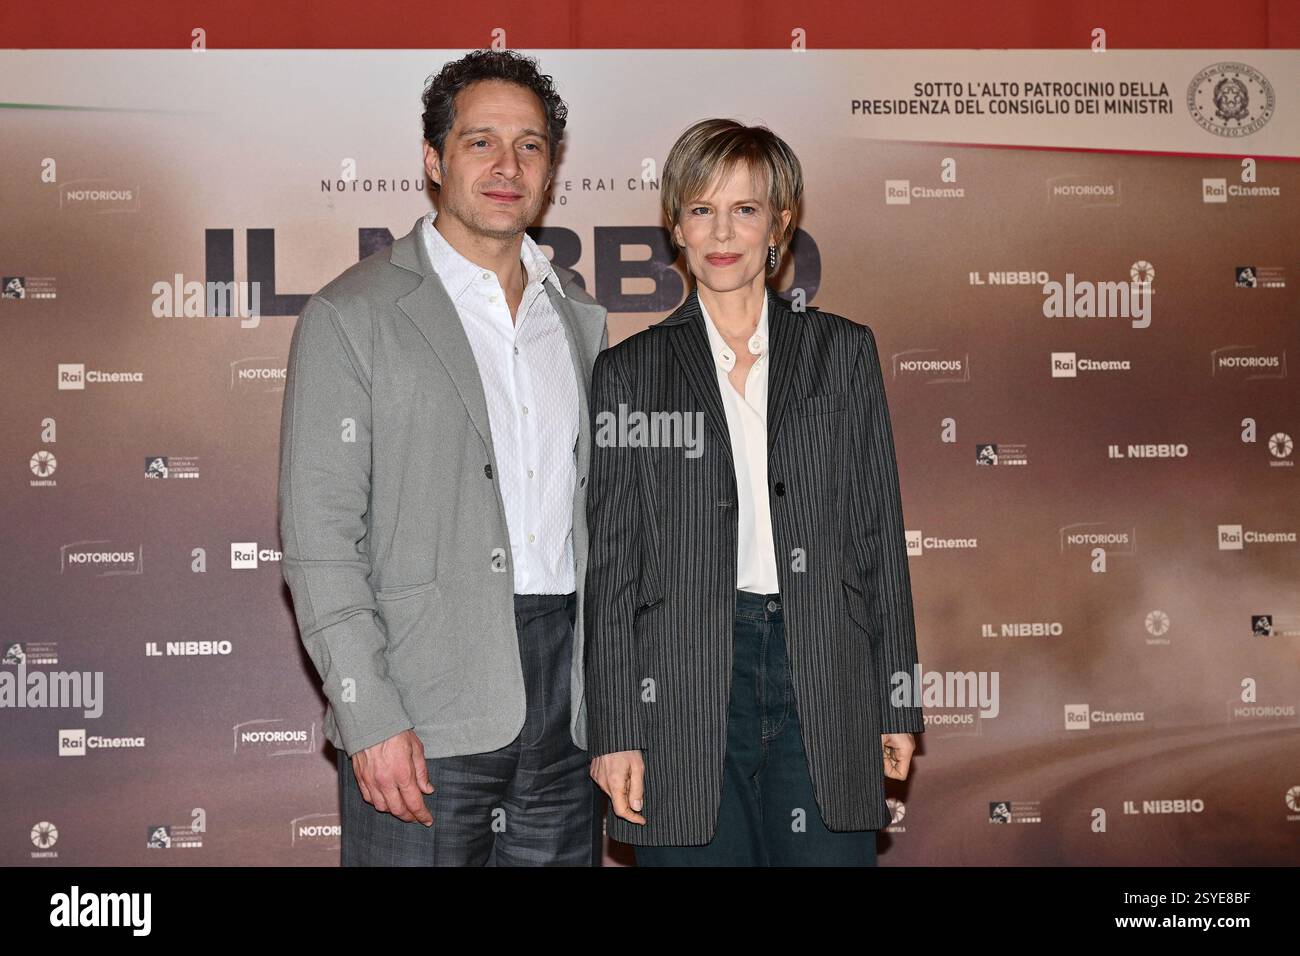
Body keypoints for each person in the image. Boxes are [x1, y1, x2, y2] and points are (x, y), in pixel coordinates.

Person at [278, 49, 608, 866]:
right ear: (434, 160)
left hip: (569, 707)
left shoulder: (578, 317)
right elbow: (320, 542)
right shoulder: (353, 314)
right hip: (422, 709)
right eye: (480, 142)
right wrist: (371, 715)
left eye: (530, 145)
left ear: (551, 168)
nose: (507, 166)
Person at [585, 118, 923, 865]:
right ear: (676, 224)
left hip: (824, 674)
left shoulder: (842, 353)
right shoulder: (629, 373)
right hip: (679, 685)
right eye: (702, 209)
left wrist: (895, 697)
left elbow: (877, 536)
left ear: (781, 221)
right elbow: (611, 568)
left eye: (745, 208)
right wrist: (615, 730)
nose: (722, 231)